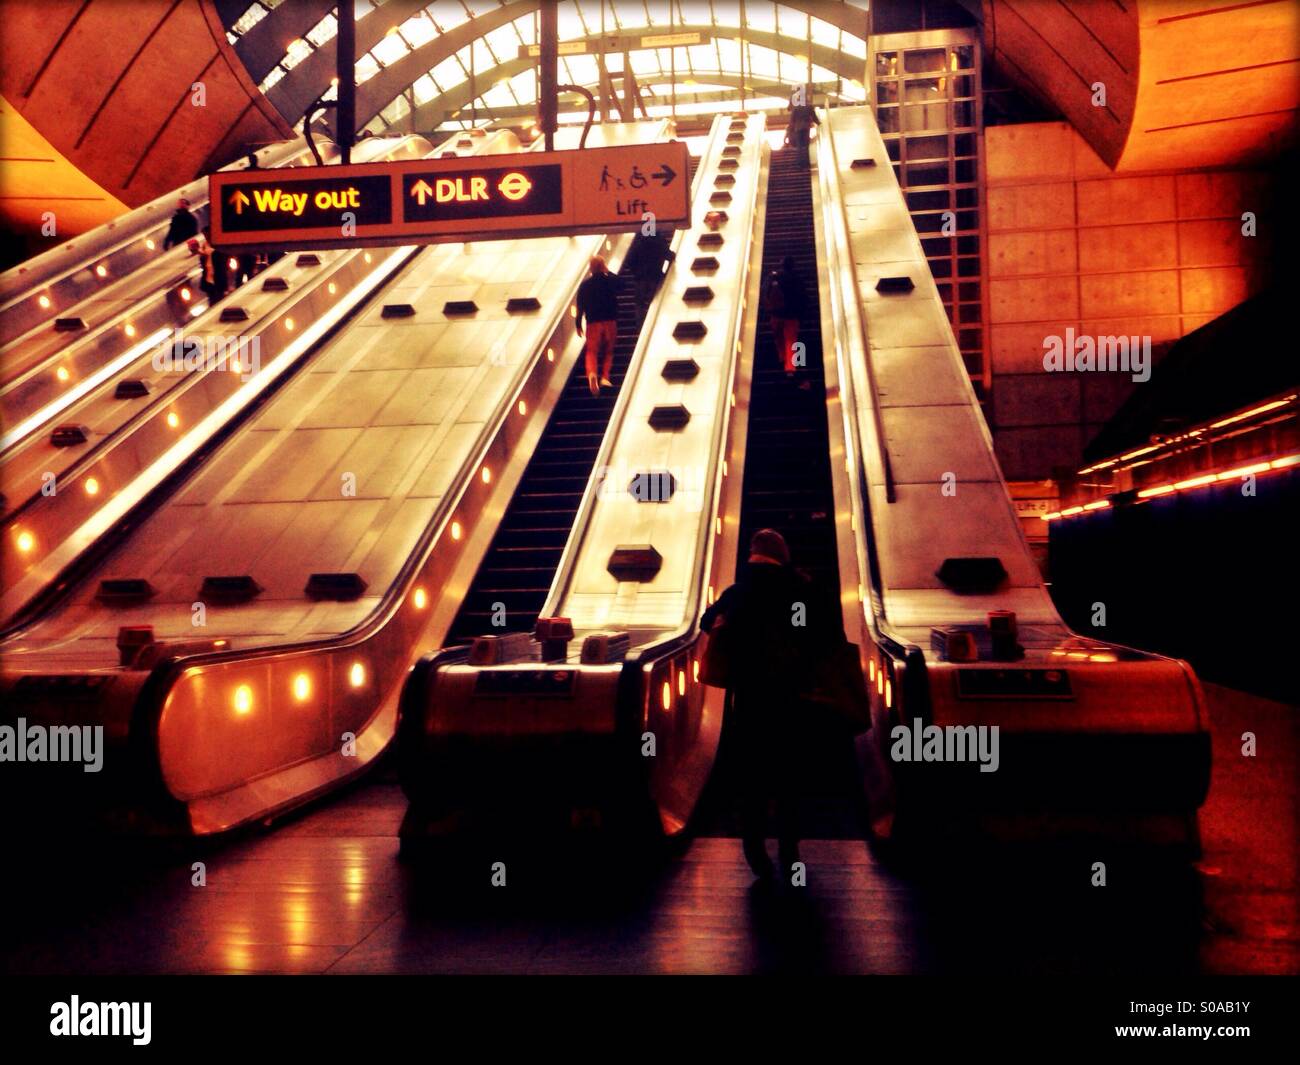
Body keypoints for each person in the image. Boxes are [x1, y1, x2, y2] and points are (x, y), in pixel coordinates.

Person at [701, 529, 824, 882]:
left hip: (750, 697)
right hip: (792, 697)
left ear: (753, 557)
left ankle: (755, 851)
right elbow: (814, 633)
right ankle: (789, 849)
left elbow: (707, 621)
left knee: (753, 776)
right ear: (782, 555)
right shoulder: (798, 589)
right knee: (789, 775)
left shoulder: (739, 592)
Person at [575, 255, 620, 396]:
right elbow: (622, 284)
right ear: (602, 266)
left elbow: (580, 306)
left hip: (593, 322)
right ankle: (605, 378)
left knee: (591, 352)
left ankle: (592, 374)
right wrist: (608, 272)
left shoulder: (585, 285)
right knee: (609, 351)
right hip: (609, 320)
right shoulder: (609, 281)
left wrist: (578, 324)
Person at [766, 255, 808, 383]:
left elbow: (765, 293)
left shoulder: (773, 277)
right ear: (793, 265)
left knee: (778, 337)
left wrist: (768, 309)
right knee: (791, 340)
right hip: (791, 314)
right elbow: (803, 297)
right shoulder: (797, 279)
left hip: (775, 314)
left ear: (781, 264)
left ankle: (782, 358)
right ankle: (790, 367)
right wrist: (803, 312)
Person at [621, 230, 675, 318]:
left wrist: (636, 272)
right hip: (655, 277)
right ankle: (653, 319)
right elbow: (669, 255)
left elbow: (630, 260)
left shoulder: (639, 244)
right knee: (655, 300)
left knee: (639, 303)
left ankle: (640, 324)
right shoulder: (659, 243)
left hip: (640, 278)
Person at [195, 226, 228, 305]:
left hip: (218, 275)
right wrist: (201, 255)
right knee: (211, 298)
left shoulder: (219, 244)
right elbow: (203, 260)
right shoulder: (205, 245)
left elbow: (223, 259)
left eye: (207, 235)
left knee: (219, 298)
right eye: (204, 235)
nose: (206, 237)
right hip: (208, 276)